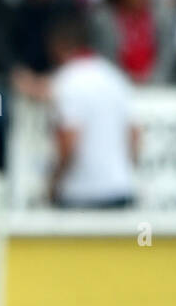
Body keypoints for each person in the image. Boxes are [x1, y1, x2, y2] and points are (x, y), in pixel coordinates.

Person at [45, 20, 138, 208]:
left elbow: (69, 142)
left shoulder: (66, 80)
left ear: (60, 46)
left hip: (79, 192)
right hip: (119, 188)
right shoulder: (115, 77)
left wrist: (54, 183)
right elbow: (135, 134)